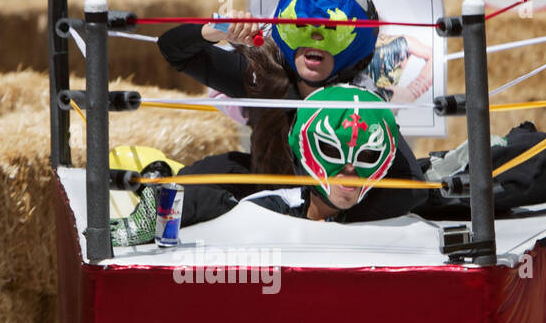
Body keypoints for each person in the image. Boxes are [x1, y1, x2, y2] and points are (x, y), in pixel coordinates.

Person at [155, 0, 426, 219]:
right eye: (302, 27)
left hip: (333, 204)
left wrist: (332, 218)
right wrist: (214, 31)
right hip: (266, 186)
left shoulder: (359, 97)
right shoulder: (262, 73)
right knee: (190, 183)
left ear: (355, 46)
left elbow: (412, 186)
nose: (316, 40)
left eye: (331, 32)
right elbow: (171, 50)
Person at [109, 84, 411, 246]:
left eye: (367, 157)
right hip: (241, 175)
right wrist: (161, 211)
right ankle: (158, 184)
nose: (349, 171)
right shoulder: (272, 206)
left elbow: (429, 190)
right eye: (332, 151)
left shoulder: (397, 201)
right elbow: (221, 207)